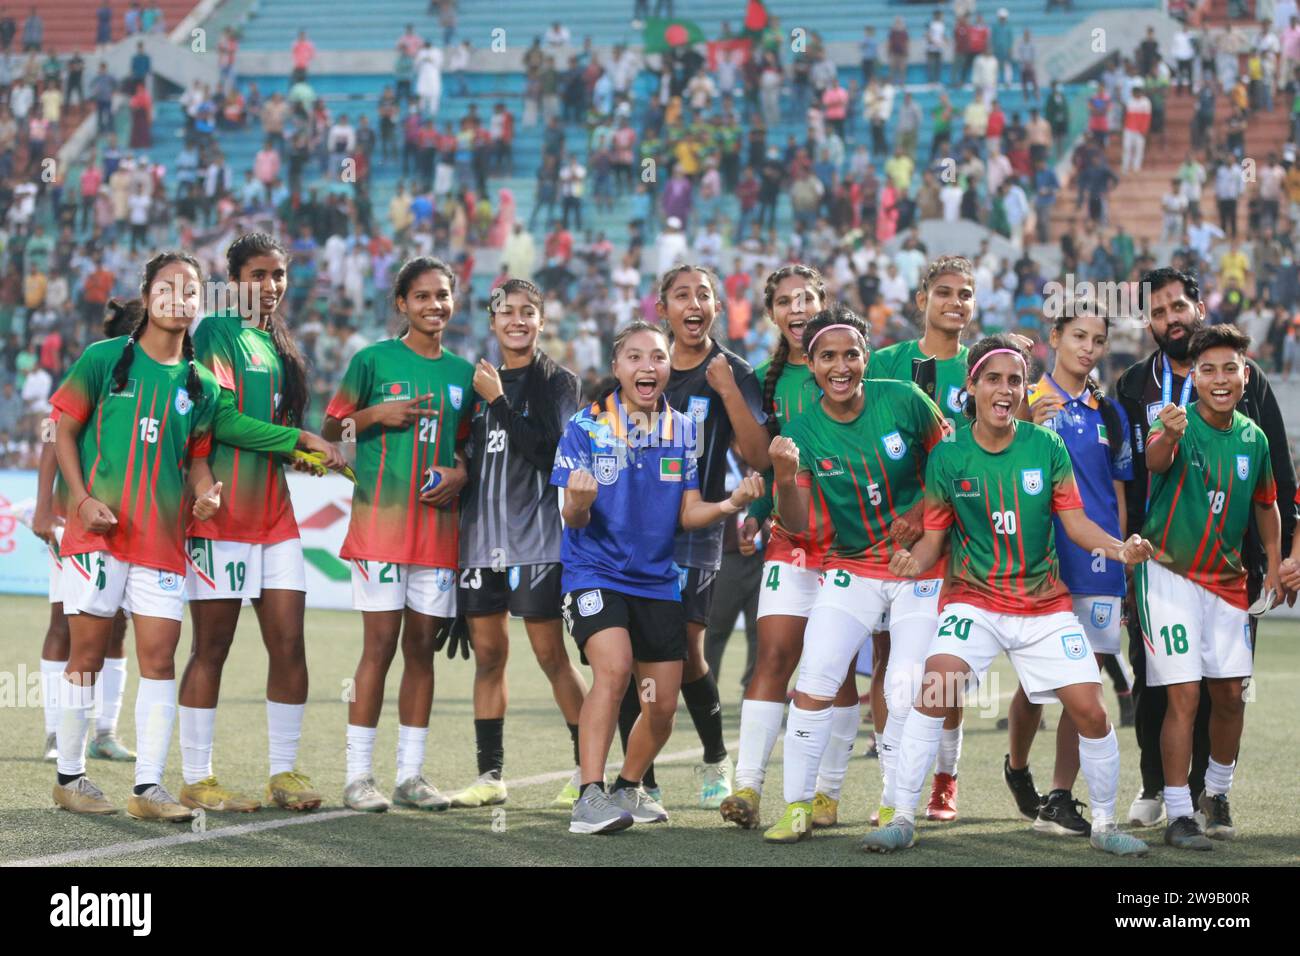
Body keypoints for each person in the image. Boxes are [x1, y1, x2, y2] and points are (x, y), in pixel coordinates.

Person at [861, 335, 1154, 857]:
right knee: (934, 691)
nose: (1004, 390)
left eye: (1014, 381)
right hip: (974, 602)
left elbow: (1077, 522)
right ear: (971, 386)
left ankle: (1106, 826)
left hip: (1044, 605)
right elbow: (932, 537)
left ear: (1024, 389)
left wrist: (1119, 548)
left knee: (1091, 711)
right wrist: (914, 562)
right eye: (992, 379)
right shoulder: (948, 455)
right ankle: (902, 815)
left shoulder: (1047, 446)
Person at [50, 252, 307, 819]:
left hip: (164, 544)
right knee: (87, 654)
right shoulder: (103, 359)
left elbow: (196, 460)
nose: (180, 299)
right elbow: (64, 433)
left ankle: (148, 789)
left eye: (190, 292)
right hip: (98, 540)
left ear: (199, 304)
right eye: (168, 288)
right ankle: (70, 777)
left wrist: (207, 490)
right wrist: (82, 500)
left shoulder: (202, 384)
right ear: (146, 294)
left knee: (161, 660)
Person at [554, 321, 764, 834]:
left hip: (656, 579)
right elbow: (573, 517)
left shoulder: (682, 429)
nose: (647, 366)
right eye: (634, 357)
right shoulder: (587, 426)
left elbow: (686, 513)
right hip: (594, 573)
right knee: (615, 668)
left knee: (664, 703)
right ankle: (589, 796)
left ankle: (629, 786)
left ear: (669, 368)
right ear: (617, 367)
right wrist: (578, 503)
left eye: (657, 357)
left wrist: (729, 504)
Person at [1114, 268, 1296, 828]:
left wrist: (1282, 557)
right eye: (1159, 310)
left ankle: (1211, 794)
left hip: (1233, 569)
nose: (1171, 318)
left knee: (1227, 691)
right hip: (1159, 562)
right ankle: (1160, 793)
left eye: (1179, 306)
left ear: (1198, 306)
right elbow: (1133, 471)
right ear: (1148, 322)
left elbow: (1275, 485)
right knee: (1159, 683)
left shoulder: (1250, 386)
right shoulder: (1132, 385)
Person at [763, 305, 949, 844]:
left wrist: (919, 517)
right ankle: (797, 806)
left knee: (903, 683)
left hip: (921, 563)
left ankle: (895, 809)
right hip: (853, 564)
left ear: (866, 356)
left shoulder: (904, 398)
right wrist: (780, 475)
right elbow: (796, 526)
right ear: (810, 363)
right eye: (827, 356)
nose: (840, 366)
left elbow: (951, 459)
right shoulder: (800, 431)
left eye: (850, 354)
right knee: (817, 675)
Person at [177, 234, 347, 815]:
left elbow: (267, 432)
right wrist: (298, 438)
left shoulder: (277, 346)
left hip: (275, 517)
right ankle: (198, 778)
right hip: (222, 516)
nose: (271, 285)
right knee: (212, 648)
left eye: (278, 275)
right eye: (258, 275)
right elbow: (220, 420)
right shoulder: (217, 332)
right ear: (233, 280)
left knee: (290, 644)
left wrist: (302, 456)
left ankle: (284, 772)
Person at [614, 264, 770, 809]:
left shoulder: (733, 371)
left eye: (704, 294)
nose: (694, 303)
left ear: (717, 308)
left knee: (683, 651)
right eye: (682, 295)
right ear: (664, 308)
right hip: (635, 530)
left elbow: (756, 455)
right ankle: (643, 781)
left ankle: (713, 759)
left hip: (696, 529)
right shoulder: (641, 366)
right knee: (629, 654)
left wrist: (726, 390)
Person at [321, 257, 474, 813]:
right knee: (378, 649)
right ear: (401, 304)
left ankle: (411, 776)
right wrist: (375, 415)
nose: (435, 305)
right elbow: (329, 430)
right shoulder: (372, 360)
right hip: (381, 532)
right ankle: (358, 777)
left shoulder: (465, 375)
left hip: (437, 536)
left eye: (443, 296)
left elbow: (467, 450)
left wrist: (460, 472)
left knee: (421, 654)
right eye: (423, 296)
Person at [721, 265, 859, 831]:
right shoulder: (763, 379)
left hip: (853, 544)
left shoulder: (858, 364)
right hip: (792, 538)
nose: (796, 307)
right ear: (772, 313)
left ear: (823, 302)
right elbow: (761, 460)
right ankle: (747, 788)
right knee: (774, 656)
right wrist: (755, 513)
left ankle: (825, 796)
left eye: (806, 297)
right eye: (784, 301)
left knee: (840, 672)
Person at [447, 278, 589, 809]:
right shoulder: (474, 384)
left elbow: (555, 456)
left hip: (538, 543)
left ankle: (586, 770)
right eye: (507, 312)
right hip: (480, 546)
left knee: (551, 656)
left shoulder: (558, 381)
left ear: (542, 321)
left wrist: (502, 402)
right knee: (488, 657)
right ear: (491, 321)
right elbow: (464, 456)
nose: (518, 320)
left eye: (529, 311)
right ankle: (490, 777)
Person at [1139, 324, 1282, 849]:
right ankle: (1179, 812)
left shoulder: (1254, 436)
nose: (1220, 379)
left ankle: (1215, 794)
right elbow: (1155, 461)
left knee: (1230, 697)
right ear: (1193, 377)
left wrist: (1272, 562)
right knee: (1184, 697)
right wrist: (1170, 434)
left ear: (1245, 374)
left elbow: (1266, 503)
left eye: (1230, 369)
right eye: (1208, 370)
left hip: (1228, 583)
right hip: (1169, 576)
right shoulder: (1174, 423)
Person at [1005, 306, 1136, 835]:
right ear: (1054, 338)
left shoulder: (1112, 414)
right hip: (1040, 563)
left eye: (1098, 340)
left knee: (1083, 680)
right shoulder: (1022, 398)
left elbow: (1118, 495)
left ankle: (1059, 797)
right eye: (1078, 335)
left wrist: (1122, 560)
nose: (1088, 347)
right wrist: (1022, 429)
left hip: (1101, 563)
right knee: (1037, 685)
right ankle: (1017, 770)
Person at [864, 255, 975, 823]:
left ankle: (944, 779)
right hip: (887, 536)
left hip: (956, 537)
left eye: (966, 294)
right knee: (888, 660)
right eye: (945, 293)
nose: (956, 302)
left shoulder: (982, 369)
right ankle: (891, 782)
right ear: (921, 299)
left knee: (944, 666)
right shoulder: (883, 362)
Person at [32, 302, 141, 764]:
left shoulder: (163, 376)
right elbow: (54, 436)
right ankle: (57, 733)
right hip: (73, 517)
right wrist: (43, 510)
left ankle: (105, 731)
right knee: (65, 620)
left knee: (117, 625)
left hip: (129, 521)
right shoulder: (96, 367)